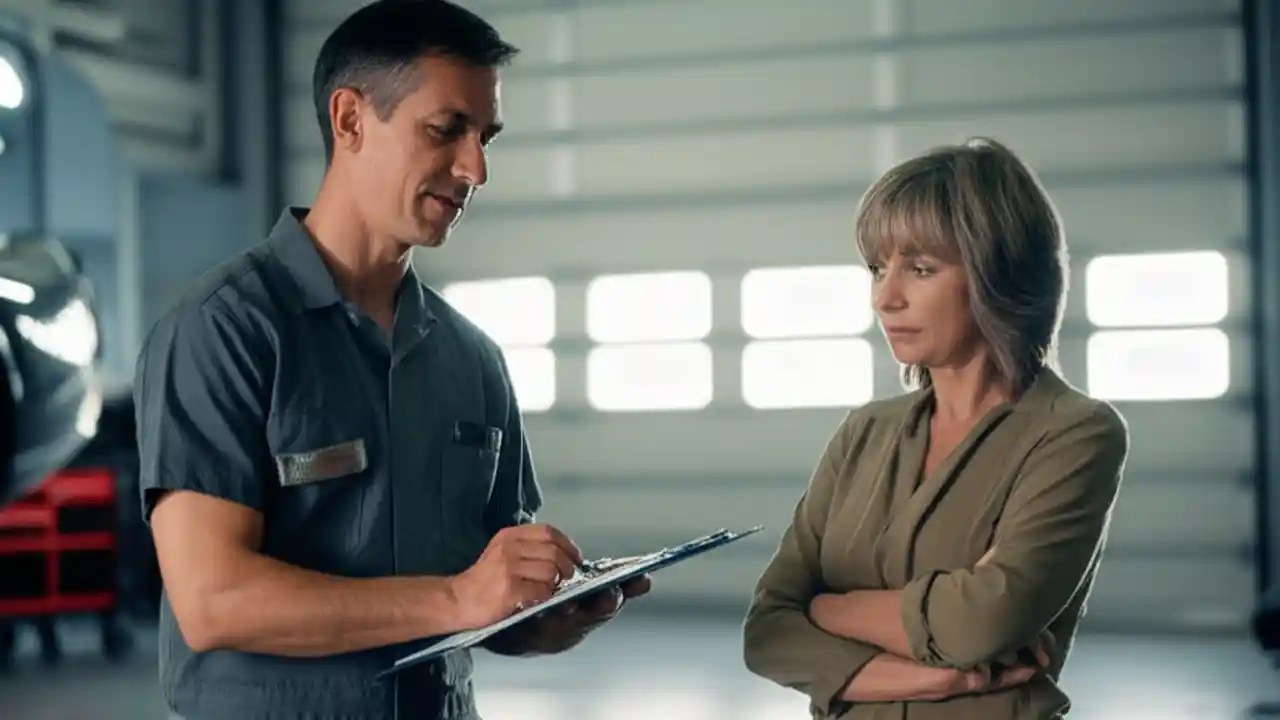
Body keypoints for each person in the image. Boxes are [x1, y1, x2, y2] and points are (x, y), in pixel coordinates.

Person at [134, 2, 649, 718]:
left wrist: (539, 619)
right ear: (349, 120)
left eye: (486, 137)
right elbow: (215, 602)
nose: (475, 169)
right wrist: (457, 596)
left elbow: (481, 597)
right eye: (447, 131)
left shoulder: (472, 360)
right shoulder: (225, 331)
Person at [741, 138, 1129, 719]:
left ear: (998, 274)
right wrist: (938, 681)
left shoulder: (1075, 433)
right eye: (877, 268)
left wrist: (828, 609)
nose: (884, 297)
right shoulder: (863, 433)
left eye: (920, 269)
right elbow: (768, 634)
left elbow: (981, 623)